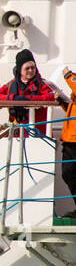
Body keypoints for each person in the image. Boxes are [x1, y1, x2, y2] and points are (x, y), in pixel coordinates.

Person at [0, 49, 57, 136]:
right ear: (19, 69)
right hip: (17, 134)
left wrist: (28, 100)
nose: (30, 70)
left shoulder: (42, 84)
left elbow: (50, 97)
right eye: (27, 68)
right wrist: (12, 99)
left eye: (32, 68)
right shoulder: (11, 85)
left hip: (39, 134)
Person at [59, 67, 76, 218]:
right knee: (68, 173)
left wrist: (68, 76)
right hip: (70, 138)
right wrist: (62, 101)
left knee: (70, 172)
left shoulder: (74, 80)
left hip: (74, 139)